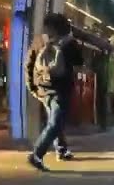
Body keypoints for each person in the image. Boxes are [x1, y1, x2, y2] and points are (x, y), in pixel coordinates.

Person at [26, 12, 82, 170]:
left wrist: (33, 86)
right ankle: (37, 154)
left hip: (44, 89)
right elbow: (79, 62)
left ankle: (61, 149)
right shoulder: (67, 43)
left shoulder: (40, 42)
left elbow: (29, 64)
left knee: (55, 120)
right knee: (56, 122)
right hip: (59, 89)